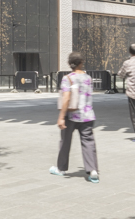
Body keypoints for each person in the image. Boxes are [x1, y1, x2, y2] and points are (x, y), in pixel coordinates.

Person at [49, 52, 99, 183]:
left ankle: (61, 169)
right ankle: (92, 170)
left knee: (65, 141)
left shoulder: (67, 78)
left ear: (69, 64)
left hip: (71, 116)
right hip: (87, 115)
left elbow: (66, 98)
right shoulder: (88, 77)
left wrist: (61, 117)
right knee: (88, 142)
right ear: (81, 62)